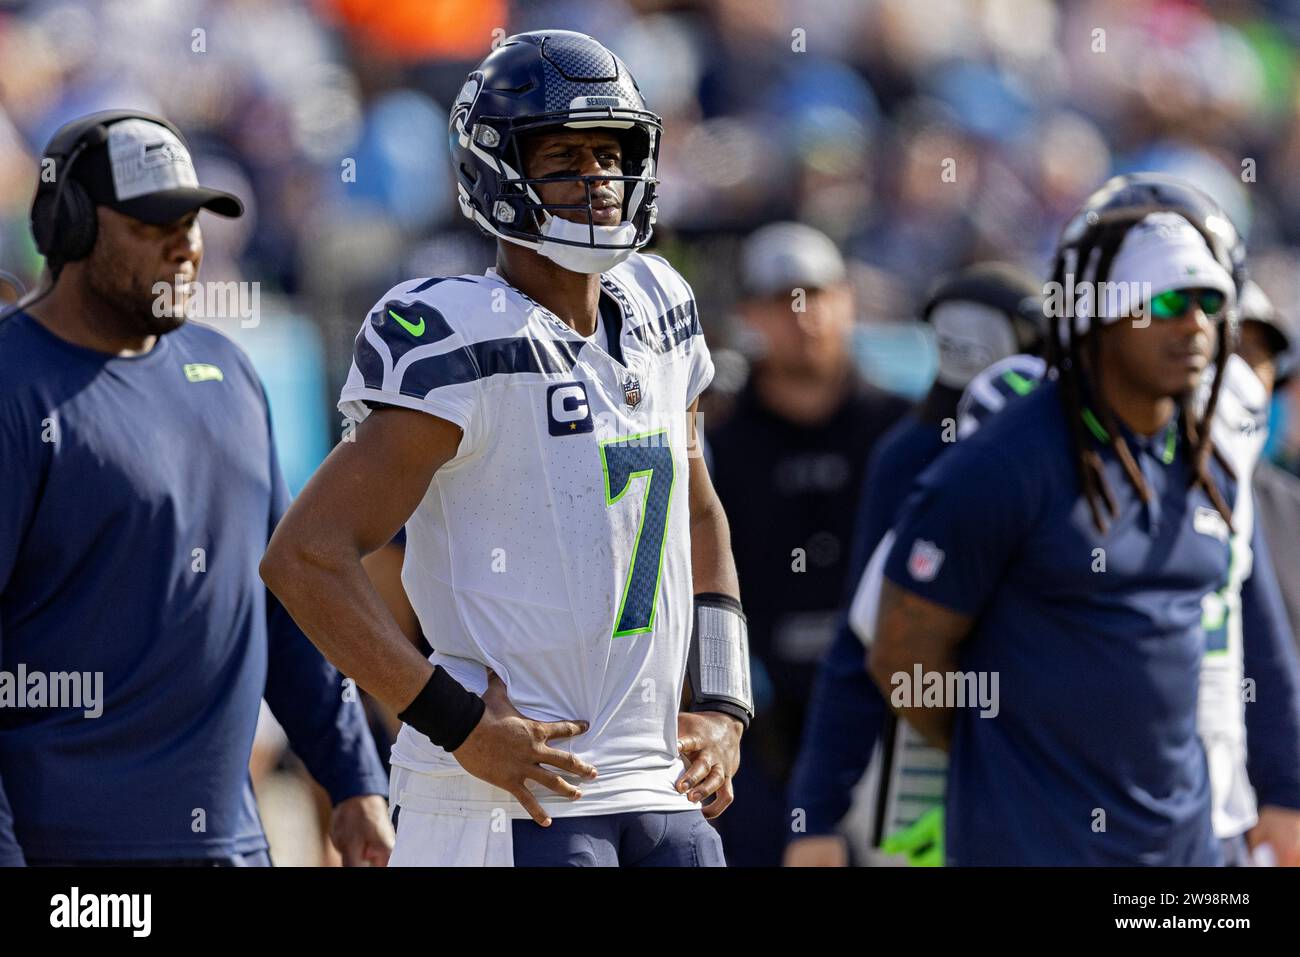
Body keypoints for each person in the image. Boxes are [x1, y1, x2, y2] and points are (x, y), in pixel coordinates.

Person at [261, 30, 751, 867]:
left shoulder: (664, 304)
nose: (599, 178)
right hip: (510, 801)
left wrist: (724, 701)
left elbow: (700, 515)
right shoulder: (460, 334)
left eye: (611, 152)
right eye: (566, 156)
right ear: (498, 171)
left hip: (657, 782)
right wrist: (454, 722)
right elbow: (305, 557)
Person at [0, 111, 391, 865]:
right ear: (73, 226)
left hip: (232, 845)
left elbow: (285, 602)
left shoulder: (229, 372)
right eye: (154, 222)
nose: (186, 243)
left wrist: (351, 775)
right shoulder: (13, 388)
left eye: (193, 219)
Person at [870, 179, 1248, 865]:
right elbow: (901, 654)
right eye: (1165, 301)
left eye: (1209, 301)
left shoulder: (1207, 463)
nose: (1194, 323)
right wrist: (1017, 759)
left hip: (1185, 855)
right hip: (1035, 847)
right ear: (1101, 315)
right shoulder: (1005, 461)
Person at [783, 263, 1044, 867]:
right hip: (934, 782)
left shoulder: (1077, 451)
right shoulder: (911, 455)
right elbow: (868, 636)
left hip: (1059, 773)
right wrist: (815, 811)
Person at [704, 221, 909, 865]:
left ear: (848, 300)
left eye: (818, 294)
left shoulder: (905, 430)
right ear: (748, 316)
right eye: (783, 299)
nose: (806, 316)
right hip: (755, 727)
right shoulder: (715, 443)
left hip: (895, 721)